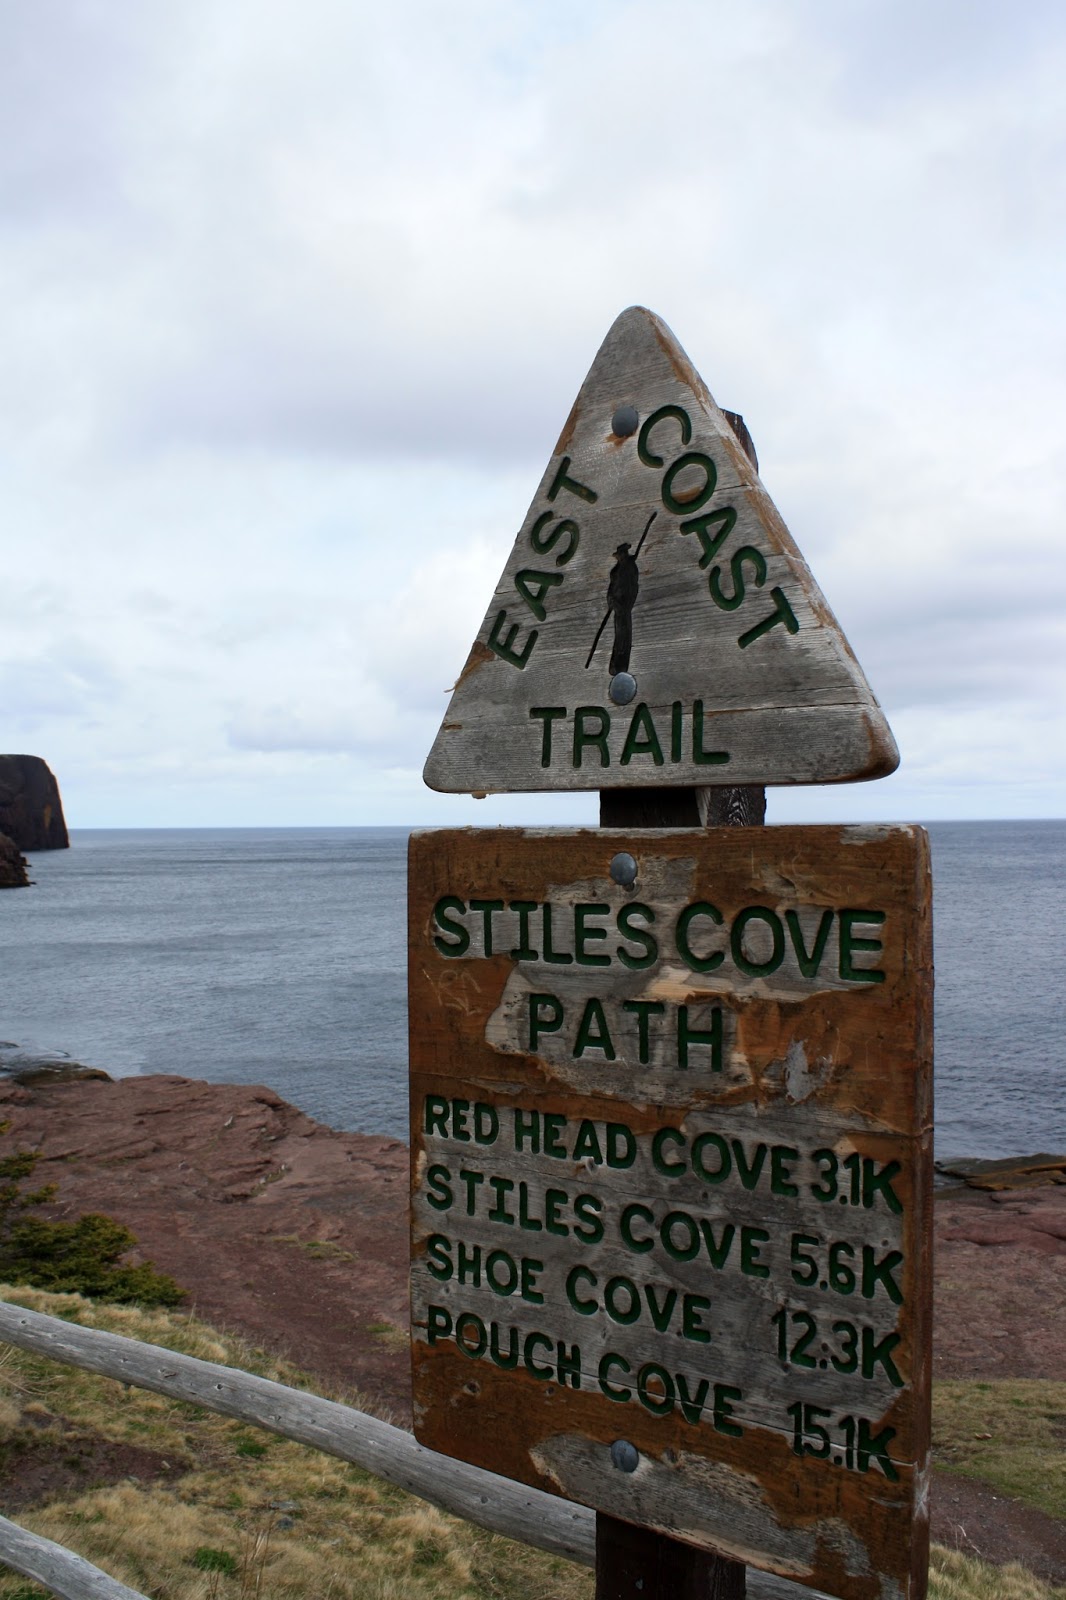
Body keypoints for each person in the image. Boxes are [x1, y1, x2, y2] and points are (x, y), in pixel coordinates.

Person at [607, 541, 640, 675]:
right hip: (617, 605)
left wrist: (627, 604)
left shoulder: (631, 568)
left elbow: (634, 587)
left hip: (625, 606)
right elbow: (611, 587)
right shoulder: (616, 571)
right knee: (619, 629)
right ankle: (617, 657)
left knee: (624, 631)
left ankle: (621, 658)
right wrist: (611, 601)